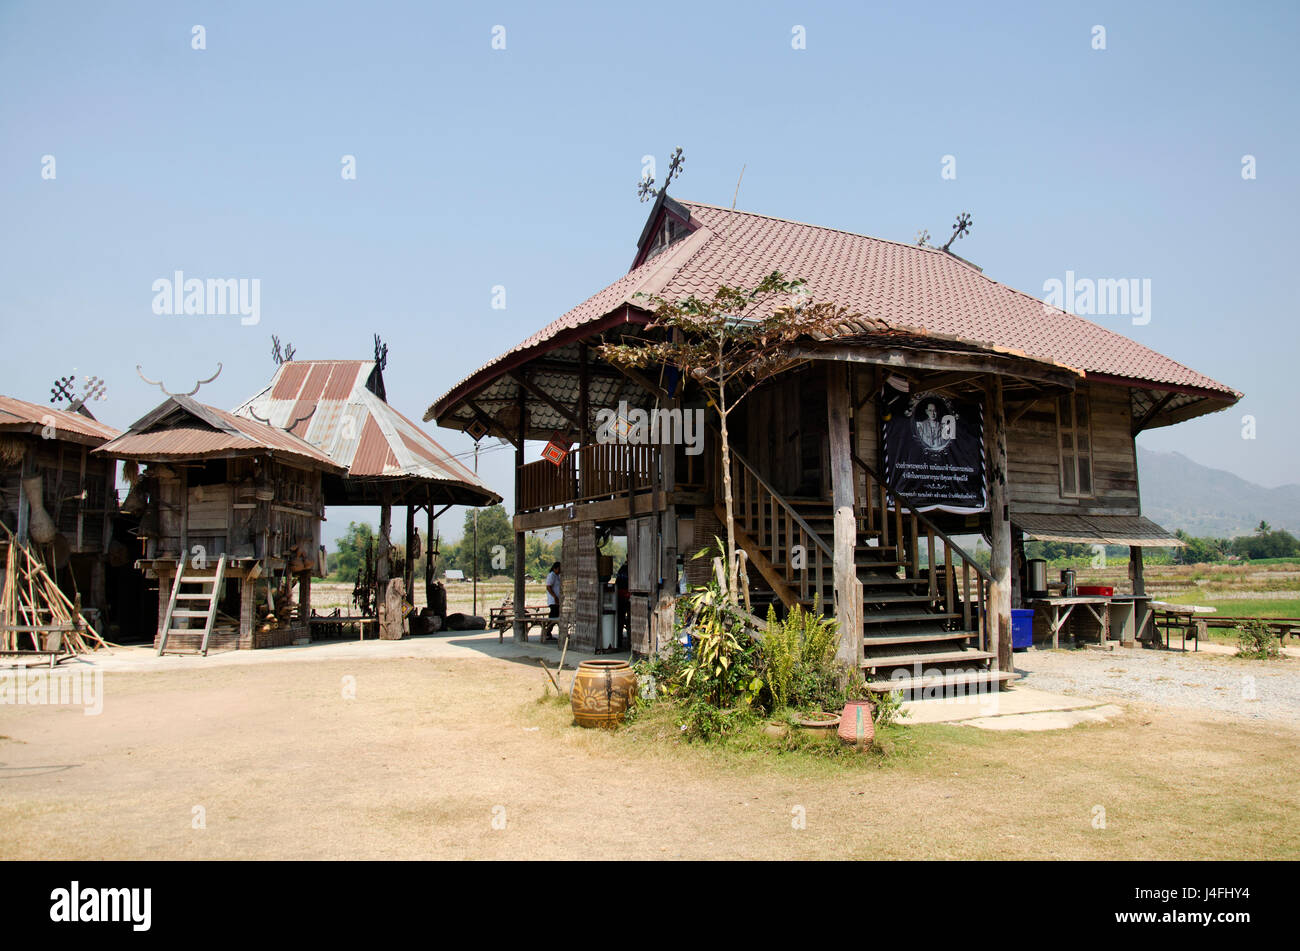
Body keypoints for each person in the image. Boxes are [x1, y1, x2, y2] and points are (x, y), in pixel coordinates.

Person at [543, 562, 561, 641]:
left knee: (556, 616)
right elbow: (548, 587)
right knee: (553, 617)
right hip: (553, 601)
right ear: (555, 568)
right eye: (559, 568)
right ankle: (547, 632)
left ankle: (548, 632)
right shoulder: (551, 575)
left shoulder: (557, 576)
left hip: (557, 600)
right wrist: (555, 597)